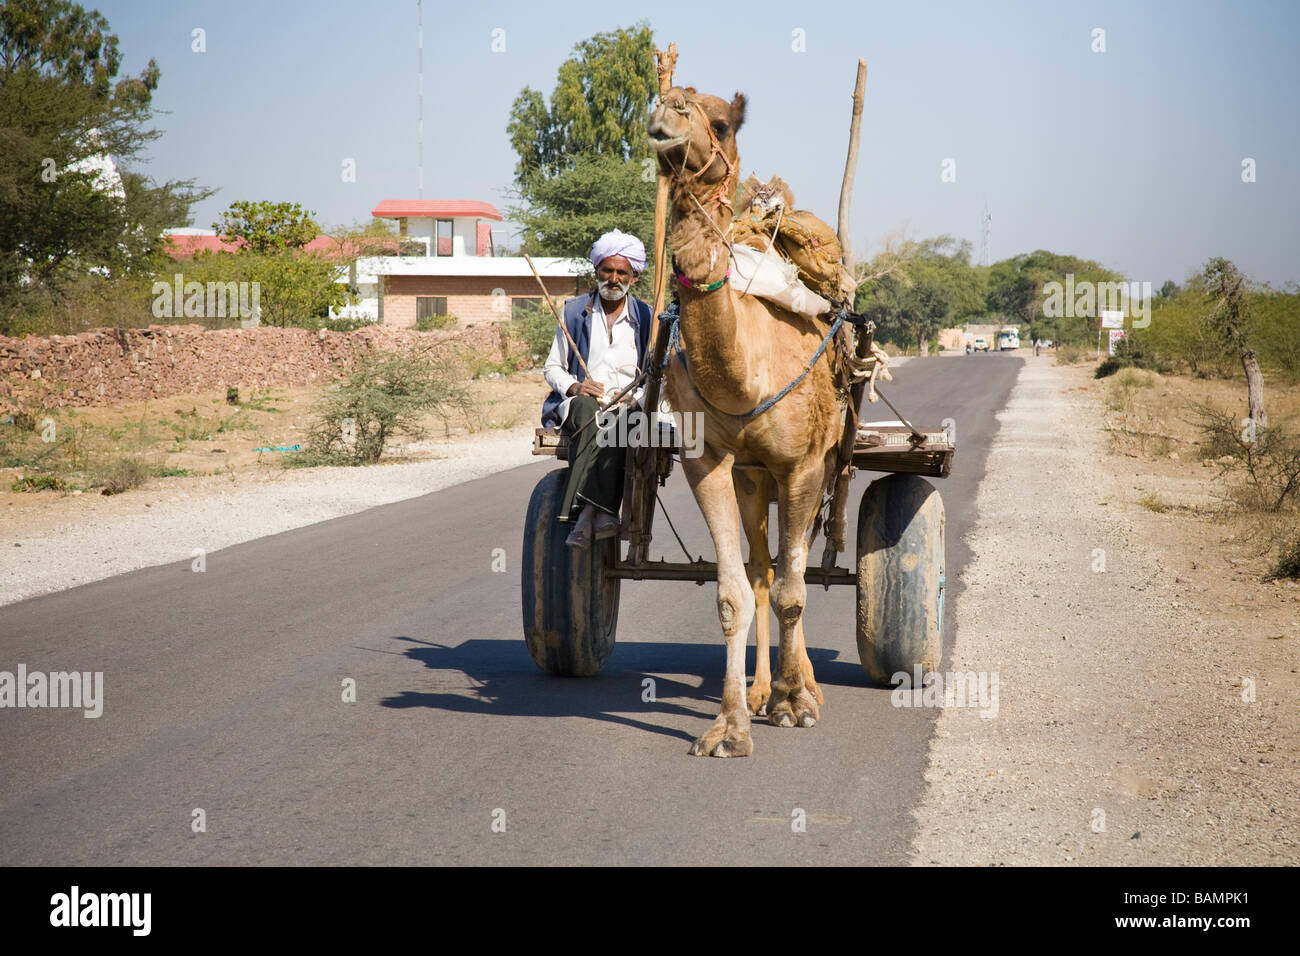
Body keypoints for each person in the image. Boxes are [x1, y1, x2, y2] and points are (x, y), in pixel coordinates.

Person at [541, 229, 654, 548]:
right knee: (588, 412)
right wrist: (575, 385)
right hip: (583, 404)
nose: (614, 278)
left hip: (627, 406)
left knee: (623, 421)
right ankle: (602, 512)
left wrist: (638, 397)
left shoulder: (645, 317)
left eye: (622, 272)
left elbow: (656, 375)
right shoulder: (574, 312)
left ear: (633, 276)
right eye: (608, 270)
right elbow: (552, 367)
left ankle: (586, 514)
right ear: (597, 272)